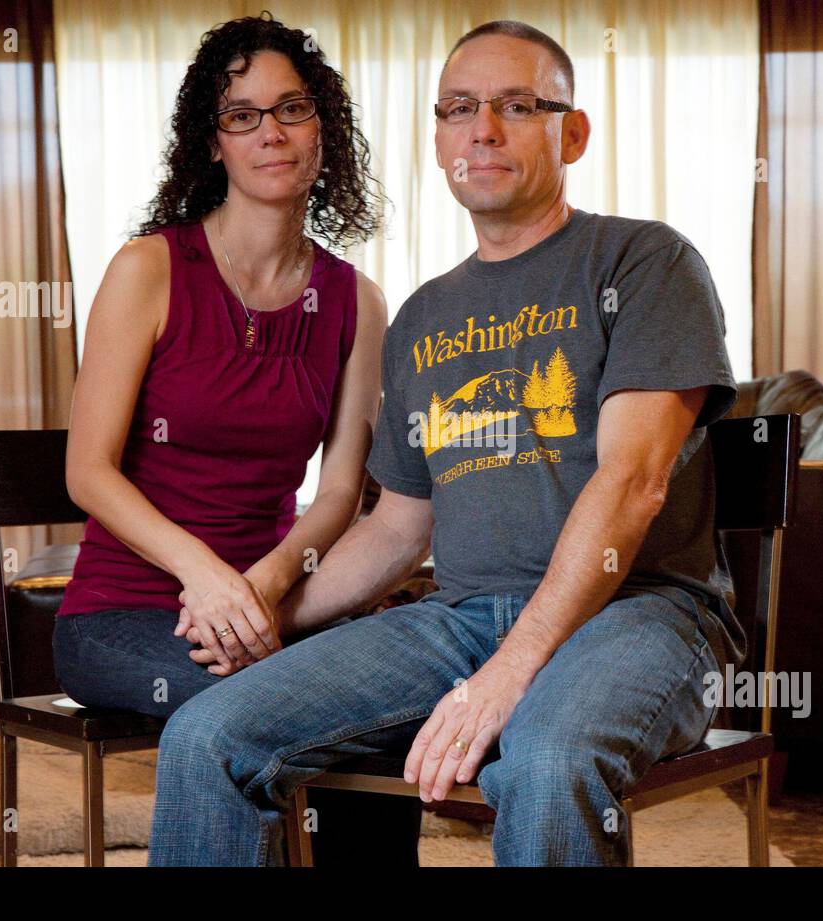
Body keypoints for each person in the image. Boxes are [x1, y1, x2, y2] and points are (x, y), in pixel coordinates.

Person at [150, 19, 743, 867]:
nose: (483, 129)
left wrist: (507, 674)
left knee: (547, 758)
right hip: (456, 622)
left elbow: (633, 480)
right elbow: (397, 527)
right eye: (460, 108)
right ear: (438, 140)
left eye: (516, 106)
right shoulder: (425, 315)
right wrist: (267, 620)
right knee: (207, 734)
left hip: (638, 614)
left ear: (571, 132)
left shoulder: (642, 262)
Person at [52, 13, 422, 864]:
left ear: (322, 128)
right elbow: (88, 471)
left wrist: (265, 582)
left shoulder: (356, 302)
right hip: (123, 613)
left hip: (271, 604)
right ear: (211, 144)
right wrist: (208, 579)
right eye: (242, 115)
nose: (271, 133)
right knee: (262, 714)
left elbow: (339, 492)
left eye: (291, 109)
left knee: (390, 719)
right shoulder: (148, 270)